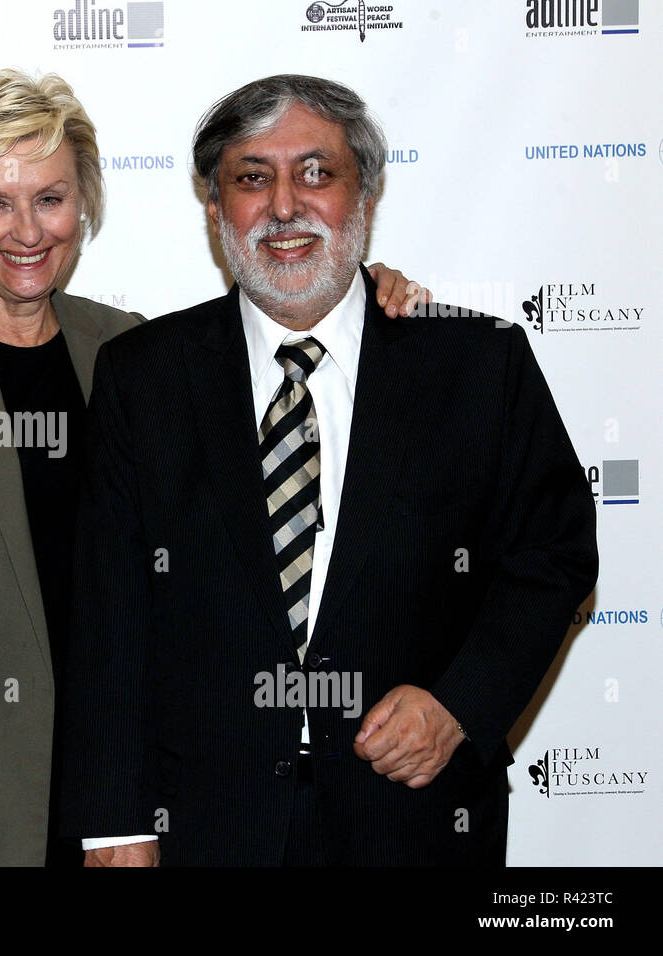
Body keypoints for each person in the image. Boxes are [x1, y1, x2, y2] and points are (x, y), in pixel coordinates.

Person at [0, 69, 429, 866]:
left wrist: (368, 296)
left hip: (116, 779)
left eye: (50, 198)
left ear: (85, 204)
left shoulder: (128, 350)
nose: (27, 231)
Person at [57, 74, 599, 866]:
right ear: (215, 210)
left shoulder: (478, 364)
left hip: (415, 819)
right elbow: (109, 615)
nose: (283, 206)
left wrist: (457, 705)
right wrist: (115, 821)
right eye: (251, 178)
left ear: (365, 199)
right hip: (205, 828)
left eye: (317, 172)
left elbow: (552, 554)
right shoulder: (144, 376)